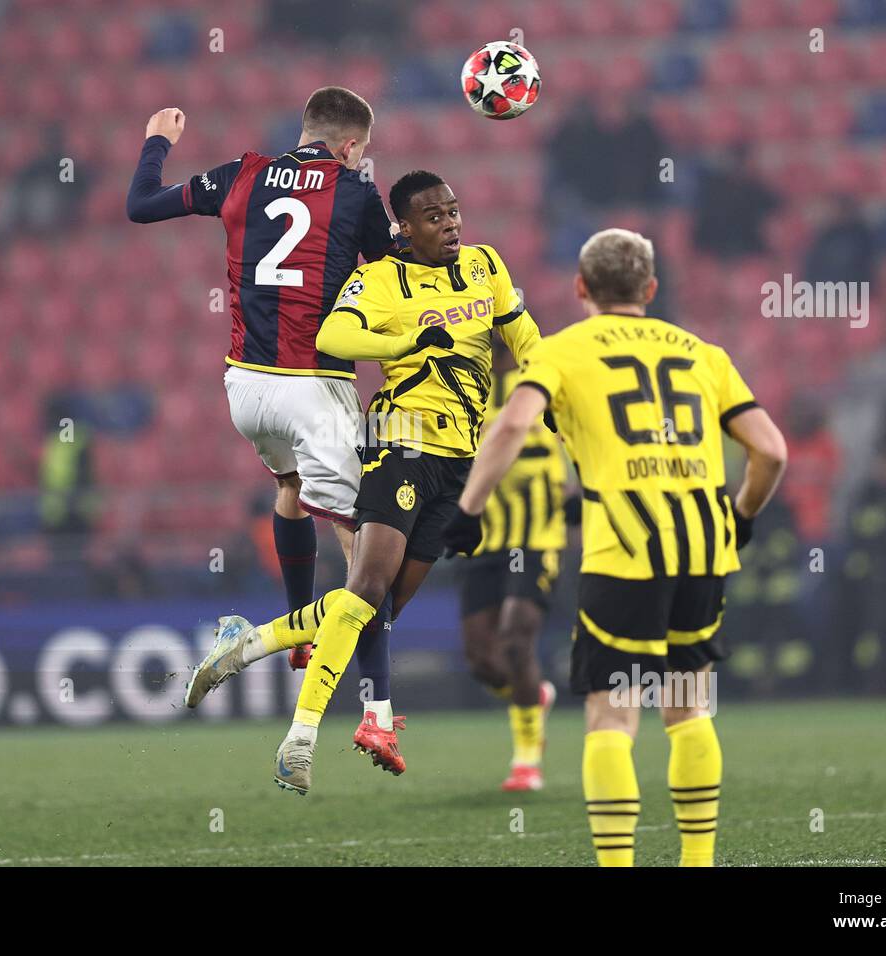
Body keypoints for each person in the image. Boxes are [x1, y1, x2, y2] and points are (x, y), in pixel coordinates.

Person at [183, 170, 544, 794]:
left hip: (459, 458)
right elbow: (332, 334)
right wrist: (405, 336)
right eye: (434, 217)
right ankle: (300, 739)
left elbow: (525, 337)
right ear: (403, 228)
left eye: (454, 211)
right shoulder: (381, 277)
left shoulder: (488, 266)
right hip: (398, 437)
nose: (451, 224)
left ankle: (248, 642)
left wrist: (553, 392)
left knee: (381, 610)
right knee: (367, 587)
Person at [443, 228, 787, 867]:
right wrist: (740, 516)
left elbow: (514, 422)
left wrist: (467, 513)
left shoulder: (561, 351)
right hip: (703, 548)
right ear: (651, 289)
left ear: (581, 289)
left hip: (626, 551)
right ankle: (699, 860)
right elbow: (770, 450)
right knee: (688, 708)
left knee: (613, 716)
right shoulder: (703, 353)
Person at [126, 88, 401, 751]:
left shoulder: (239, 174)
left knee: (289, 489)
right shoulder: (357, 194)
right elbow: (395, 271)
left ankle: (297, 637)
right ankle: (379, 715)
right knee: (366, 562)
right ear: (354, 147)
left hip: (245, 390)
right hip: (315, 387)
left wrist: (157, 137)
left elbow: (139, 207)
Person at [459, 337, 575, 792]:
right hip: (481, 533)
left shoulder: (543, 382)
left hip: (537, 533)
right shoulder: (466, 386)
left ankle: (527, 760)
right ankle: (533, 697)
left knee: (516, 639)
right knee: (481, 660)